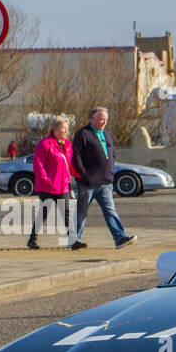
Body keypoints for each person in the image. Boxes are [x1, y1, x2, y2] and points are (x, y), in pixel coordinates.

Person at [69, 107, 135, 250]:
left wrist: (110, 171)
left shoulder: (106, 134)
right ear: (92, 119)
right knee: (82, 212)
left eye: (105, 119)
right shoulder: (83, 134)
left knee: (110, 210)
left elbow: (111, 154)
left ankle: (120, 237)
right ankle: (74, 240)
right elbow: (76, 156)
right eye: (100, 118)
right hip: (88, 183)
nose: (103, 121)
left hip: (105, 182)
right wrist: (84, 175)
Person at [27, 119, 73, 250]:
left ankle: (73, 239)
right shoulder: (45, 144)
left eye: (65, 128)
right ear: (53, 129)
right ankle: (32, 239)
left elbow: (69, 164)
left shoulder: (68, 145)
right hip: (48, 186)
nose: (63, 131)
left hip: (63, 185)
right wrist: (45, 179)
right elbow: (38, 164)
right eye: (61, 128)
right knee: (44, 213)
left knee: (66, 213)